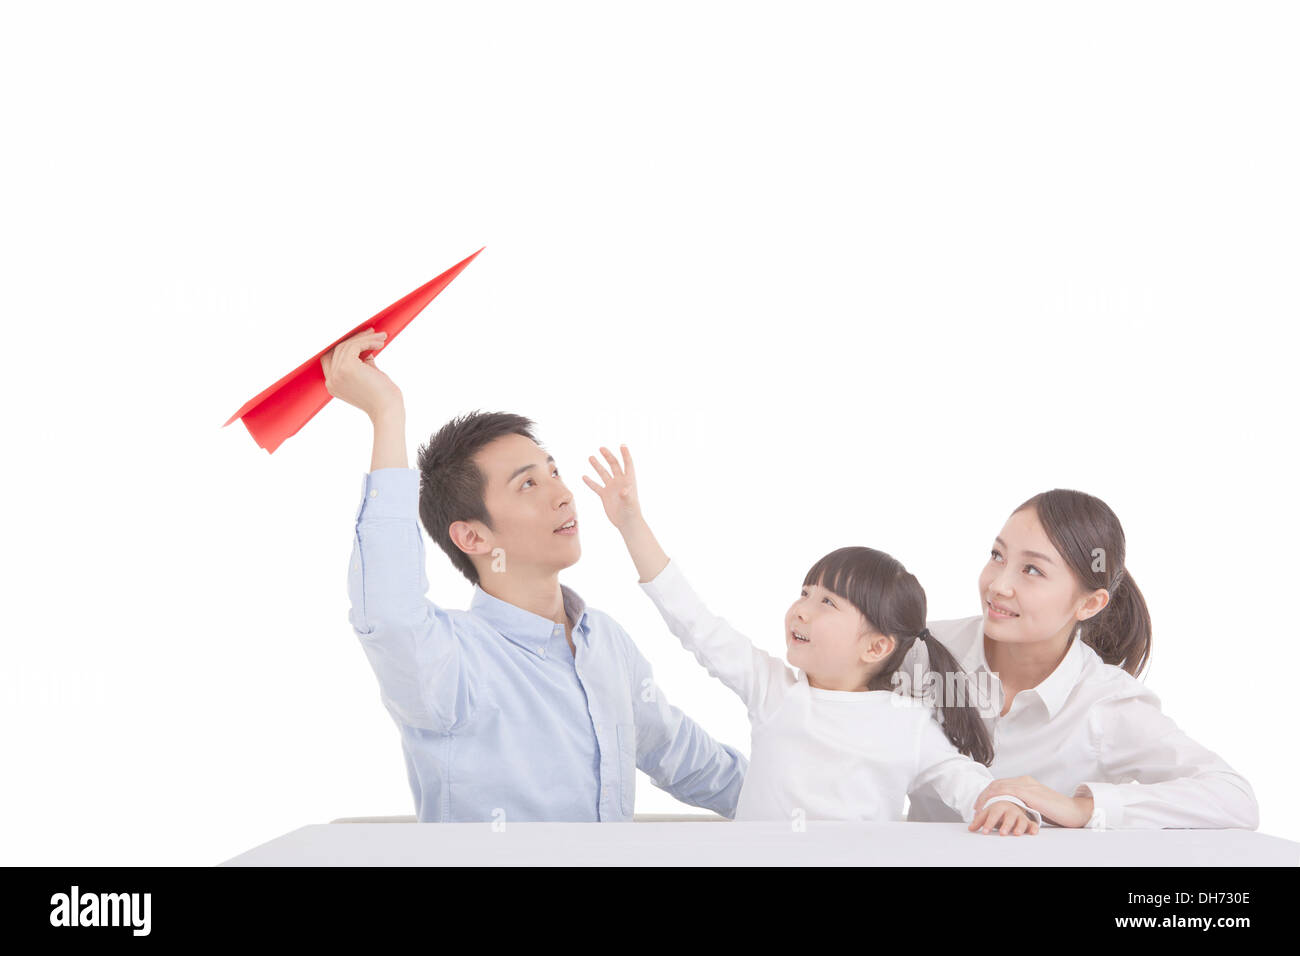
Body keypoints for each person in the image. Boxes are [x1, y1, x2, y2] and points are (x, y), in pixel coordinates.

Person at [322, 328, 747, 822]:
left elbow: (695, 764)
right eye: (527, 484)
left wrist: (811, 804)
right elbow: (390, 613)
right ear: (473, 538)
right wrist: (387, 414)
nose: (563, 494)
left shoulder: (605, 642)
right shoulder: (454, 662)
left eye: (553, 471)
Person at [582, 443, 1043, 835]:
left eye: (828, 603)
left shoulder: (906, 723)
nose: (801, 608)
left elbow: (960, 778)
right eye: (805, 593)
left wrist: (1003, 804)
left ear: (877, 646)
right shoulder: (774, 691)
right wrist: (630, 523)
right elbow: (694, 622)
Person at [906, 489, 1260, 829]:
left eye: (1032, 570)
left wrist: (1084, 808)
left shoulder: (1105, 704)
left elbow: (1234, 797)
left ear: (1089, 604)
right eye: (998, 555)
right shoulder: (921, 651)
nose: (998, 585)